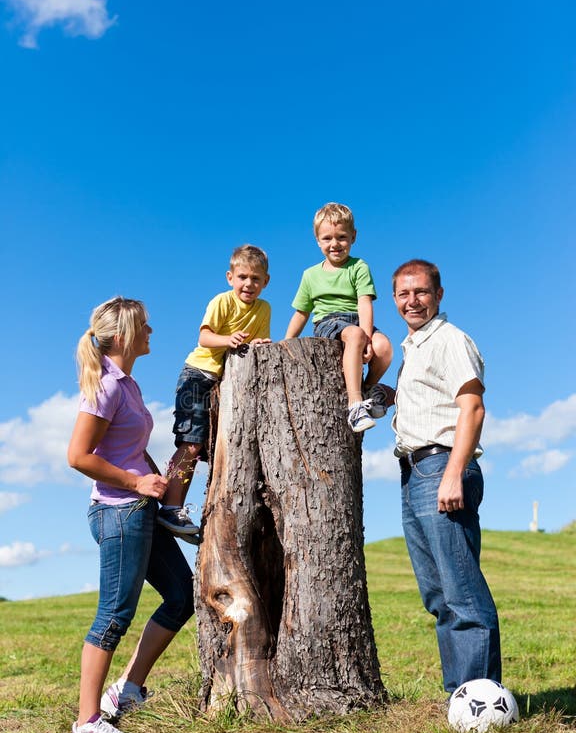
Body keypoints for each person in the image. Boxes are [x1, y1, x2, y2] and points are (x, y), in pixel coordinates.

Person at [68, 297, 195, 733]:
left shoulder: (129, 386)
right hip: (117, 512)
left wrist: (161, 489)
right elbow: (78, 456)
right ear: (122, 335)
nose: (151, 331)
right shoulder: (104, 386)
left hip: (141, 511)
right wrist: (136, 483)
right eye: (145, 325)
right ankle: (87, 723)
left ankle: (128, 689)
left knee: (183, 595)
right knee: (113, 616)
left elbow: (134, 452)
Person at [389, 259, 501, 695]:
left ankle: (482, 698)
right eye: (403, 293)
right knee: (437, 595)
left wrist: (453, 474)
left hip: (441, 466)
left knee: (462, 592)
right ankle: (460, 695)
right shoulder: (412, 347)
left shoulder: (450, 340)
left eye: (420, 292)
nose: (411, 301)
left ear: (438, 295)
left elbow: (472, 408)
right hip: (413, 471)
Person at [158, 244, 271, 538]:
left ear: (265, 281)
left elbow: (253, 341)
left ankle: (210, 511)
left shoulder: (263, 309)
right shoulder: (221, 301)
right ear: (230, 277)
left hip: (223, 383)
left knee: (215, 448)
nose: (249, 284)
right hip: (197, 375)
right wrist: (228, 339)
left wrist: (257, 345)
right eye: (243, 277)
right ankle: (170, 508)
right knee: (191, 442)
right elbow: (205, 337)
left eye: (256, 279)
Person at [285, 202, 392, 433]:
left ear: (353, 237)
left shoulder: (359, 266)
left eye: (342, 237)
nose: (335, 244)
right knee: (354, 335)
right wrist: (286, 342)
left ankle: (367, 389)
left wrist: (369, 340)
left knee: (384, 347)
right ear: (317, 240)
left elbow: (364, 303)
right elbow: (302, 312)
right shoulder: (310, 275)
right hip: (328, 322)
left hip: (356, 319)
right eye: (327, 238)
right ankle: (354, 405)